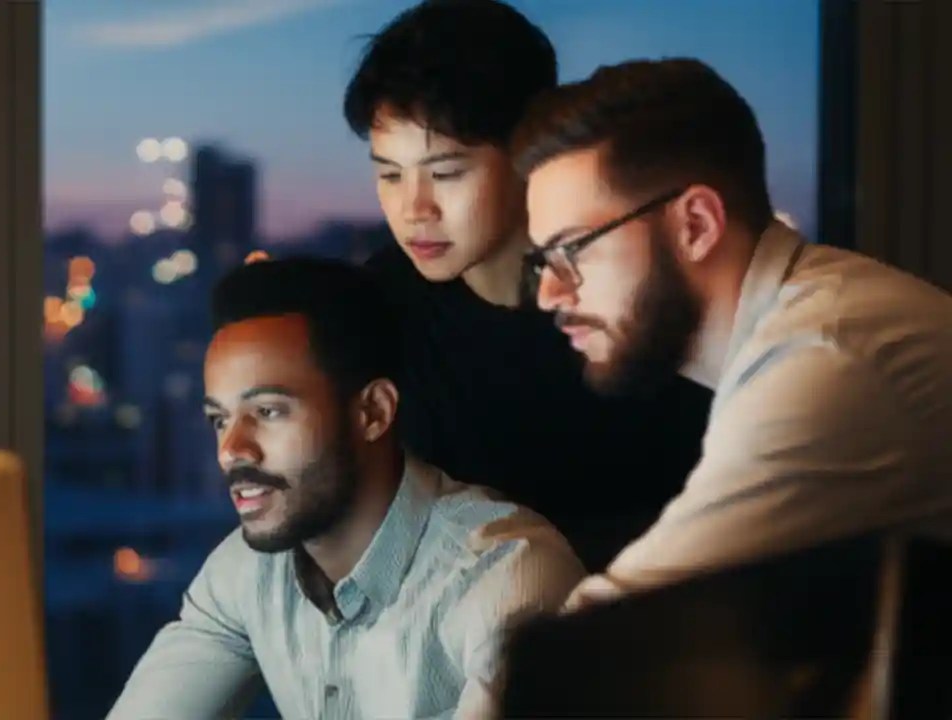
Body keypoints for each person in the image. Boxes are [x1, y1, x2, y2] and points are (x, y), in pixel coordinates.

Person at [511, 56, 952, 611]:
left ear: (695, 225)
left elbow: (607, 638)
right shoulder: (808, 317)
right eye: (541, 261)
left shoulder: (825, 360)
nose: (550, 293)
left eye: (571, 251)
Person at [107, 258, 584, 719]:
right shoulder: (246, 574)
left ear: (373, 412)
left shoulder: (505, 578)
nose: (232, 450)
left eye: (269, 412)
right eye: (219, 420)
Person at [342, 0, 713, 569]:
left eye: (446, 173)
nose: (414, 208)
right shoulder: (381, 305)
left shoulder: (638, 300)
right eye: (388, 174)